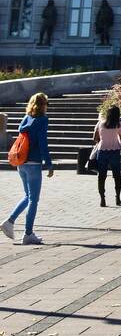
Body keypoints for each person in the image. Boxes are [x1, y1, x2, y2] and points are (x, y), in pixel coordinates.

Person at [2, 92, 54, 245]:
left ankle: (9, 222)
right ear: (42, 105)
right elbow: (43, 143)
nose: (47, 107)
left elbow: (21, 134)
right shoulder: (43, 120)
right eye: (46, 104)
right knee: (34, 200)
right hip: (33, 164)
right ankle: (28, 233)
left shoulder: (26, 118)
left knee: (27, 196)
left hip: (21, 162)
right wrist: (49, 164)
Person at [93, 104, 121, 207]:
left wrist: (102, 141)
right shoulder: (118, 124)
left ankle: (102, 199)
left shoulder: (101, 123)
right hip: (115, 150)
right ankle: (118, 198)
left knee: (101, 176)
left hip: (102, 150)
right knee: (117, 175)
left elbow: (95, 137)